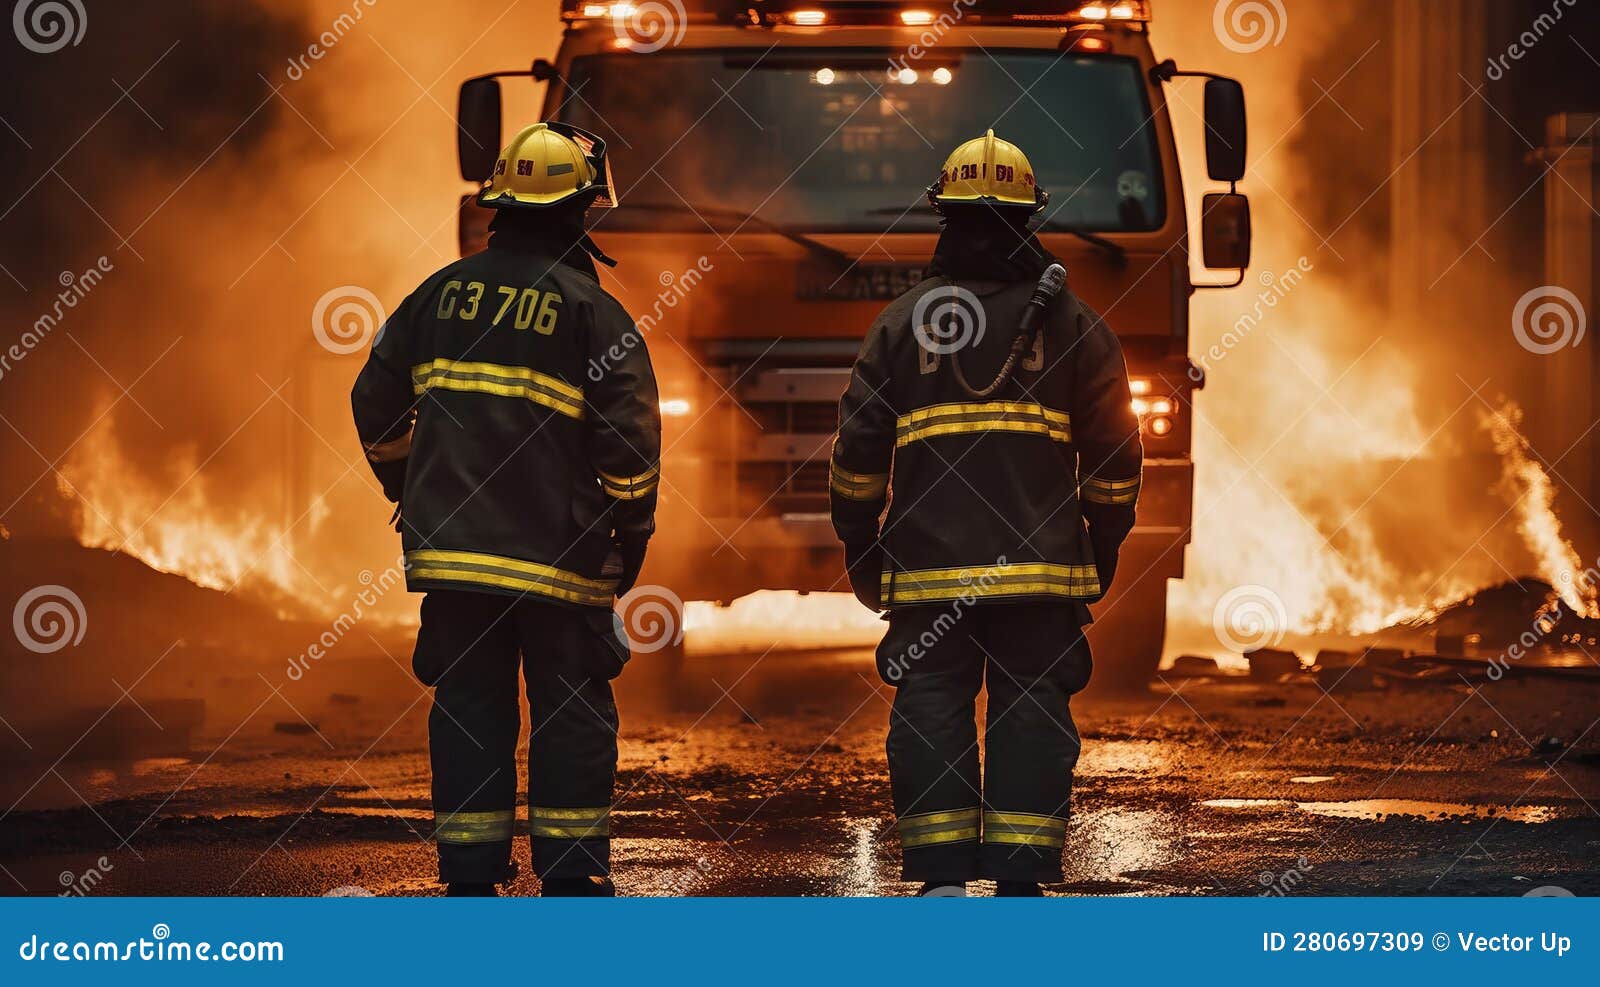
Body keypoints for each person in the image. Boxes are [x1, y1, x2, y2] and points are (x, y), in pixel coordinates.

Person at [829, 130, 1143, 897]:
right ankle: (1020, 879)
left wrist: (859, 545)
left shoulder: (901, 324)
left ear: (945, 216)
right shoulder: (1074, 323)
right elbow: (1116, 458)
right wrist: (1103, 546)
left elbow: (858, 453)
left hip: (930, 574)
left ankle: (938, 880)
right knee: (1032, 702)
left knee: (931, 700)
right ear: (1029, 218)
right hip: (1038, 574)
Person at [351, 122, 660, 897]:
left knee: (468, 710)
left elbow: (373, 400)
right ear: (578, 209)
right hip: (562, 557)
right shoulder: (594, 313)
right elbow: (629, 448)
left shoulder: (435, 295)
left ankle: (469, 875)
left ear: (501, 204)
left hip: (455, 559)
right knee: (572, 711)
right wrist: (632, 533)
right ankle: (573, 876)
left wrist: (408, 486)